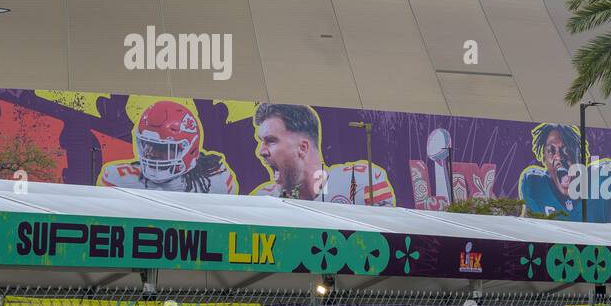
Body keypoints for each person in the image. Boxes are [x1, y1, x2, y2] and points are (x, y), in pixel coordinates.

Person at [250, 103, 395, 206]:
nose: (261, 152)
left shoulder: (360, 183)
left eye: (270, 141)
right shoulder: (264, 199)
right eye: (261, 141)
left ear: (302, 147)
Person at [98, 99, 236, 193]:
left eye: (161, 148)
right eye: (147, 144)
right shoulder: (117, 178)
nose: (150, 153)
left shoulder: (214, 179)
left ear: (190, 150)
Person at [518, 122, 611, 223]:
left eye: (566, 150)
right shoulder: (534, 186)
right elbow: (526, 226)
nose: (559, 156)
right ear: (544, 159)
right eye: (551, 151)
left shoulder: (605, 178)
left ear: (579, 155)